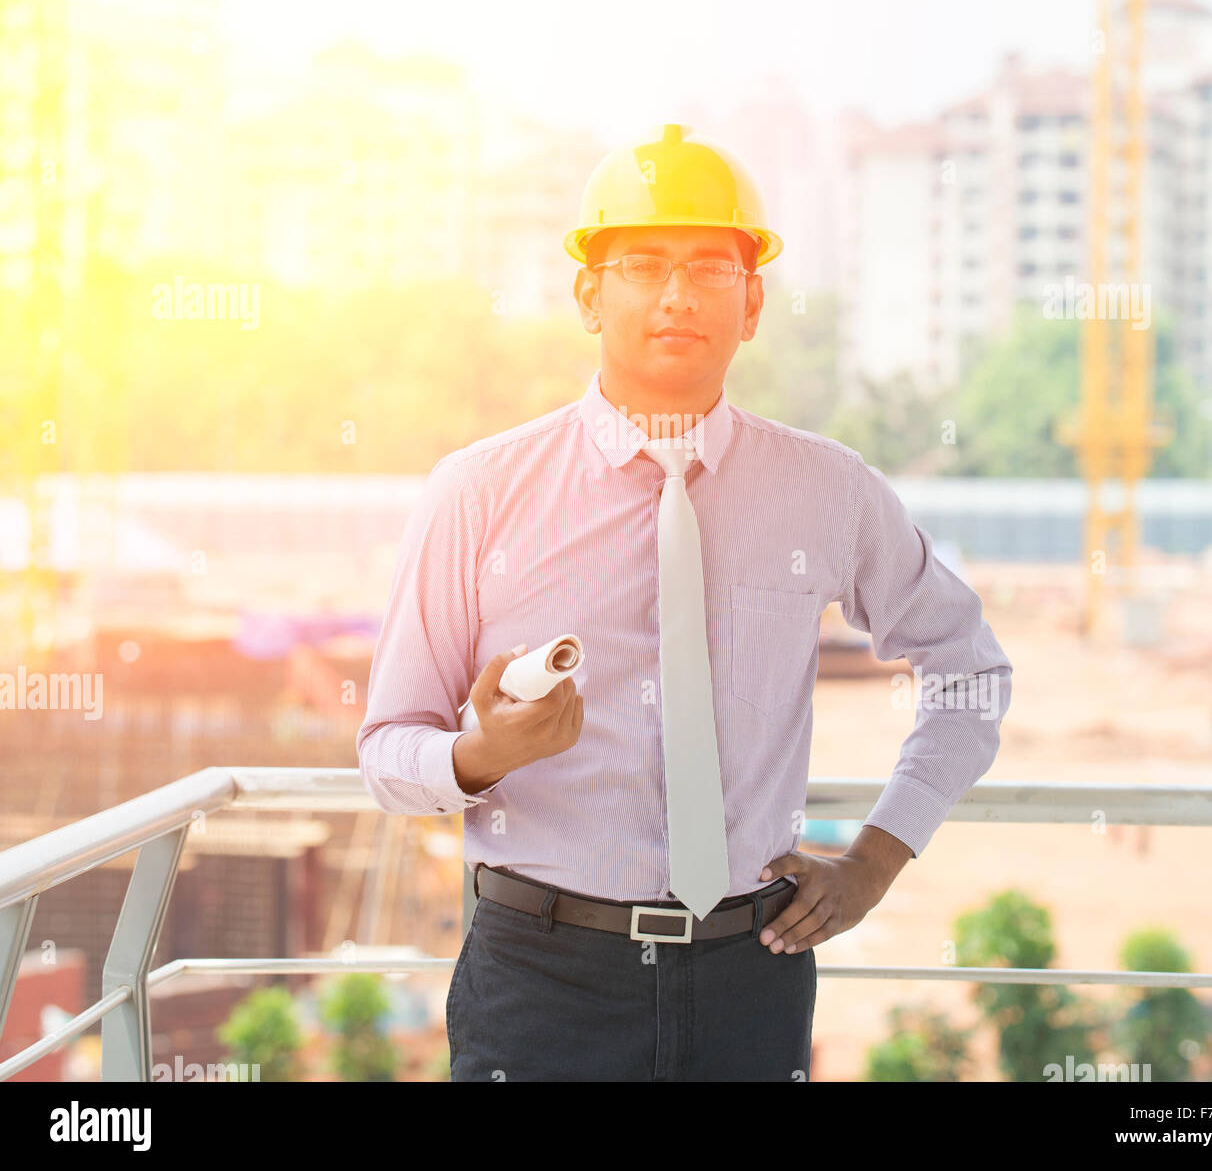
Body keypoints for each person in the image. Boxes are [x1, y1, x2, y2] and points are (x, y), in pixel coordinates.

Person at [357, 122, 1012, 1081]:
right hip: (541, 980)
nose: (677, 295)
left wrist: (877, 857)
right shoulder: (478, 493)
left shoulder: (824, 490)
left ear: (752, 305)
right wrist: (477, 756)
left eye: (712, 268)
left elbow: (969, 670)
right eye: (643, 265)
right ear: (588, 293)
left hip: (755, 971)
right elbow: (385, 751)